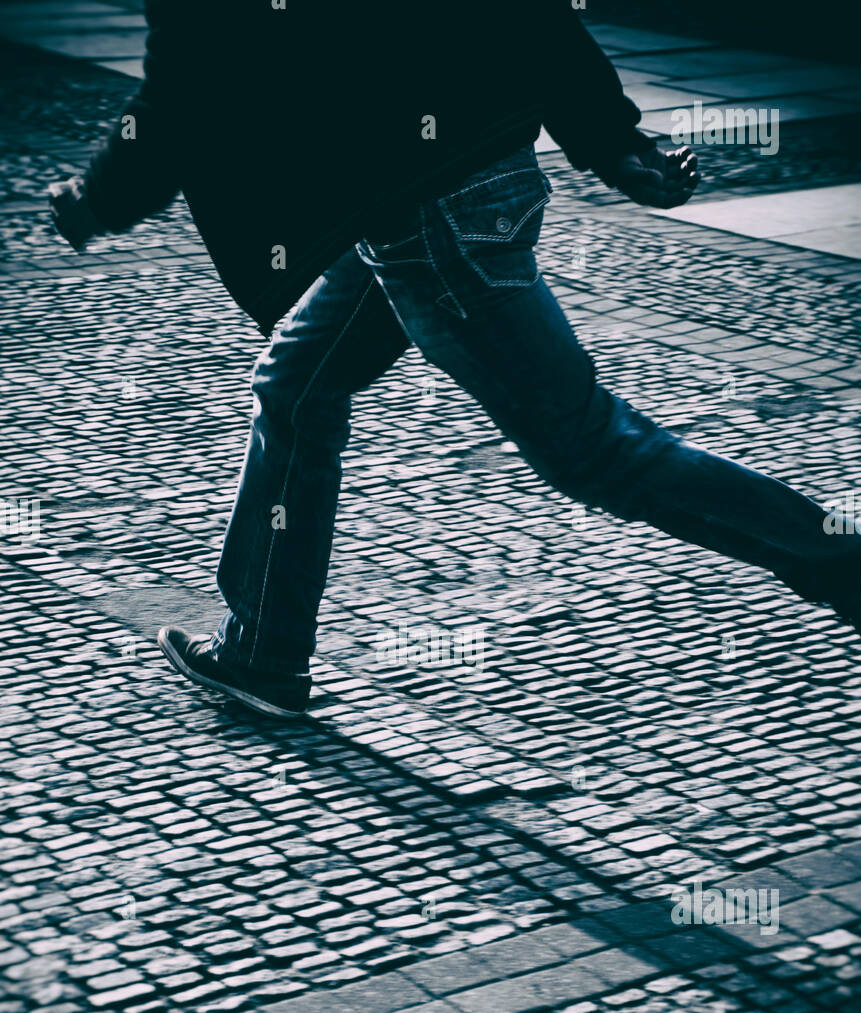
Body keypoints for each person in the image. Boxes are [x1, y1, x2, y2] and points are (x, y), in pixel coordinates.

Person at [49, 2, 859, 718]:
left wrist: (96, 200)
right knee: (297, 384)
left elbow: (185, 93)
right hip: (450, 180)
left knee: (593, 450)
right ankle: (263, 649)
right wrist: (609, 139)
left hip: (417, 213)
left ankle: (836, 552)